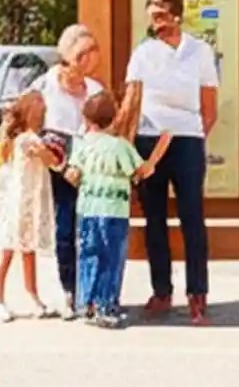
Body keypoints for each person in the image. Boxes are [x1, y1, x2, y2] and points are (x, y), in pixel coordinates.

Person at [117, 0, 219, 326]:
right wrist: (128, 149)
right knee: (154, 219)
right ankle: (161, 290)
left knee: (193, 219)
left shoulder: (200, 51)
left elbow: (209, 107)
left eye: (161, 17)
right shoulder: (143, 53)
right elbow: (131, 102)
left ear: (177, 15)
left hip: (187, 140)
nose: (156, 24)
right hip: (148, 140)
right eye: (152, 18)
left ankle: (198, 296)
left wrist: (191, 132)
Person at [68, 91, 169, 329]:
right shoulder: (120, 147)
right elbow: (139, 173)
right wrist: (156, 155)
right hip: (114, 211)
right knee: (111, 258)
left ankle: (86, 303)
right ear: (113, 119)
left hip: (87, 209)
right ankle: (106, 305)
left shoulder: (83, 145)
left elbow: (73, 175)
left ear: (86, 119)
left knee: (88, 254)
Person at [25, 23, 104, 320]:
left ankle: (91, 291)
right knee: (65, 229)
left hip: (89, 166)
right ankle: (69, 290)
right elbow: (27, 128)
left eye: (92, 54)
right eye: (82, 54)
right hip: (56, 167)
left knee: (91, 231)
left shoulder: (95, 90)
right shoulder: (44, 86)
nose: (88, 61)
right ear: (67, 55)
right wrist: (57, 161)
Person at [0, 91, 61, 322]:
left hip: (32, 199)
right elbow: (6, 155)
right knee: (7, 252)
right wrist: (7, 130)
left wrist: (51, 153)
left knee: (29, 252)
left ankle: (34, 296)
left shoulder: (40, 138)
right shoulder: (23, 139)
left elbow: (55, 163)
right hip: (16, 200)